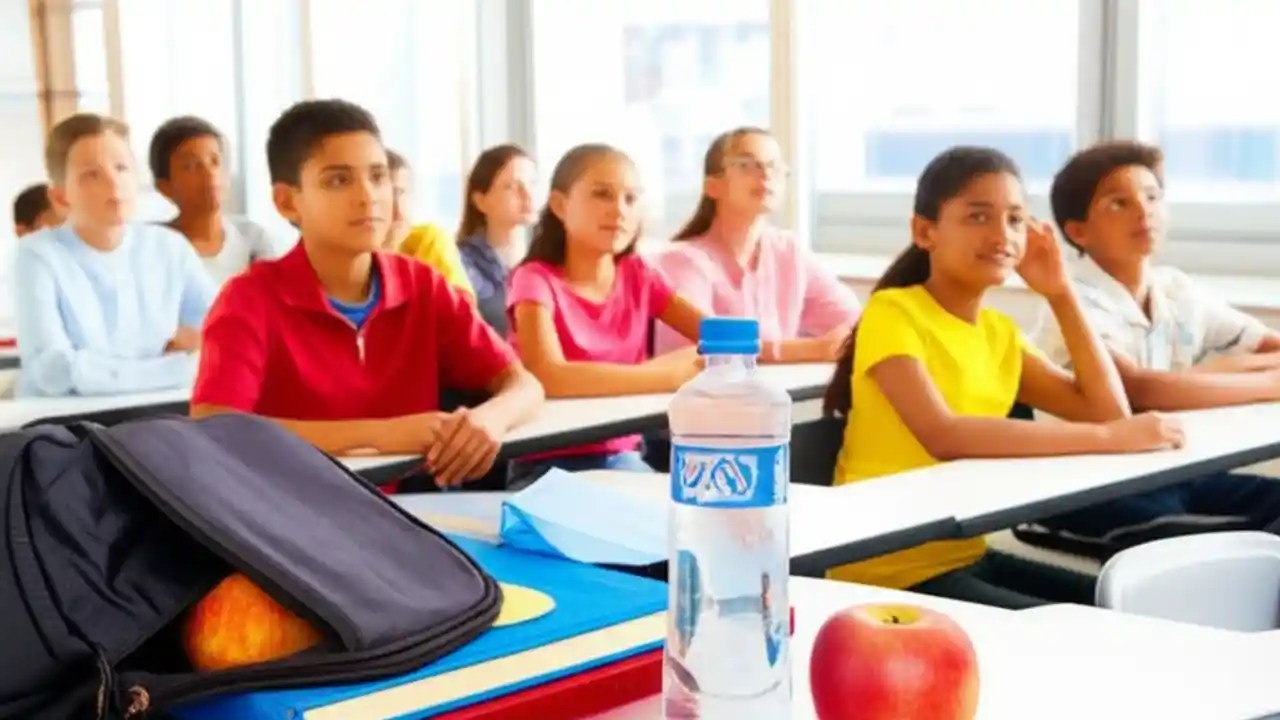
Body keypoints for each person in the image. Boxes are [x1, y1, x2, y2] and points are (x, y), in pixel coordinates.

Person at [822, 146, 1186, 609]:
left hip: (962, 557)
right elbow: (944, 434)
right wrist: (1110, 438)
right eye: (978, 217)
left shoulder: (1000, 333)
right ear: (925, 231)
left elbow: (1108, 410)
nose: (1002, 235)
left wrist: (1060, 293)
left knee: (1124, 608)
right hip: (886, 574)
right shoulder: (893, 311)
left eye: (1015, 220)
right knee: (1086, 630)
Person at [191, 100, 543, 489]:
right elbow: (216, 427)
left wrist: (489, 419)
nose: (368, 196)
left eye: (378, 177)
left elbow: (524, 385)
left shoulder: (422, 285)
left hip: (405, 508)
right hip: (289, 509)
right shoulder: (248, 299)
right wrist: (382, 435)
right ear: (287, 202)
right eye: (338, 181)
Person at [1027, 140, 1280, 550]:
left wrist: (1196, 379)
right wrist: (1268, 384)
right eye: (1118, 203)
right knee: (1240, 545)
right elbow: (1141, 389)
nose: (1143, 212)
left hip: (1173, 469)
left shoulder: (1176, 288)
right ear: (1078, 231)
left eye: (1152, 197)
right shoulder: (1071, 301)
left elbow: (1270, 347)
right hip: (1096, 486)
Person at [506, 143, 705, 487]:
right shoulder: (534, 280)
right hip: (546, 465)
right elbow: (550, 375)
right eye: (602, 194)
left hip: (622, 457)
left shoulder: (639, 274)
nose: (619, 210)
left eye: (631, 198)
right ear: (559, 205)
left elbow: (720, 338)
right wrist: (666, 375)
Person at [15, 113, 215, 397]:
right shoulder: (37, 255)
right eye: (92, 175)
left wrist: (96, 370)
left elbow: (221, 339)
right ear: (61, 198)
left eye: (122, 168)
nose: (113, 183)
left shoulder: (170, 248)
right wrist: (174, 368)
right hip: (66, 419)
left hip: (161, 410)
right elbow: (52, 371)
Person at [655, 127, 860, 360]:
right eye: (747, 165)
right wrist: (807, 349)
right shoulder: (681, 261)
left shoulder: (789, 251)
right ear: (712, 186)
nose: (766, 174)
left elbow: (853, 322)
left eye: (774, 166)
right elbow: (692, 351)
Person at [149, 115, 282, 283]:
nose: (209, 173)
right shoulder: (153, 247)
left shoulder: (252, 239)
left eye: (215, 161)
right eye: (191, 166)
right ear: (164, 187)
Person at [455, 144, 538, 334]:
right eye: (511, 187)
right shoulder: (460, 263)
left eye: (532, 183)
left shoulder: (554, 255)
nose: (527, 195)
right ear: (481, 201)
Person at [387, 149, 474, 296]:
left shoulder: (427, 240)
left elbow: (463, 305)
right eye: (389, 194)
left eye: (402, 193)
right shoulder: (351, 253)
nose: (399, 208)